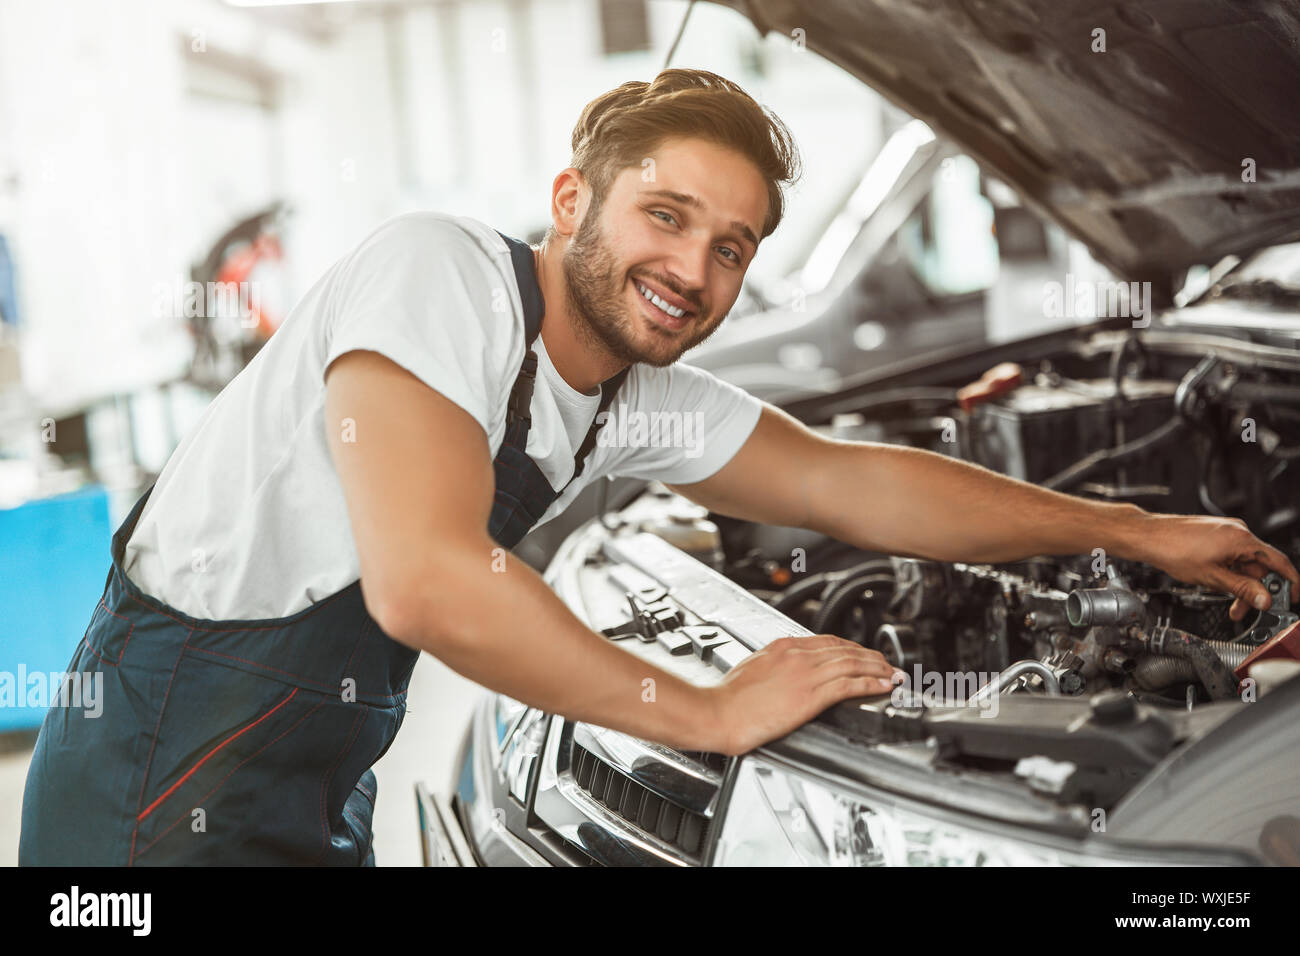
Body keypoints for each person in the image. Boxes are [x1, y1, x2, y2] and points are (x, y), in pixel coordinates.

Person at [20, 69, 1298, 865]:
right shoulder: (437, 275)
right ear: (574, 198)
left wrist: (1129, 529)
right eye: (667, 215)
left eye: (733, 248)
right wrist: (700, 707)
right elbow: (425, 583)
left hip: (307, 792)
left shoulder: (622, 395)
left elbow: (850, 482)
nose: (695, 270)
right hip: (153, 792)